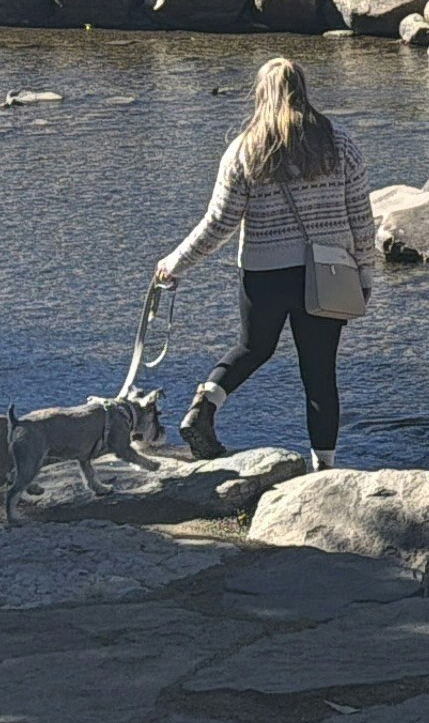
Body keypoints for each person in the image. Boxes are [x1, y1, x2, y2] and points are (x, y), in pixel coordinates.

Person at [153, 59, 376, 468]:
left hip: (264, 274)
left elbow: (218, 223)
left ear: (260, 94)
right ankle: (323, 468)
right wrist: (365, 273)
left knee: (252, 348)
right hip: (326, 273)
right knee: (320, 373)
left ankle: (204, 408)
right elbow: (361, 216)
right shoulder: (339, 143)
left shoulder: (244, 150)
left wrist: (175, 263)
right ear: (304, 90)